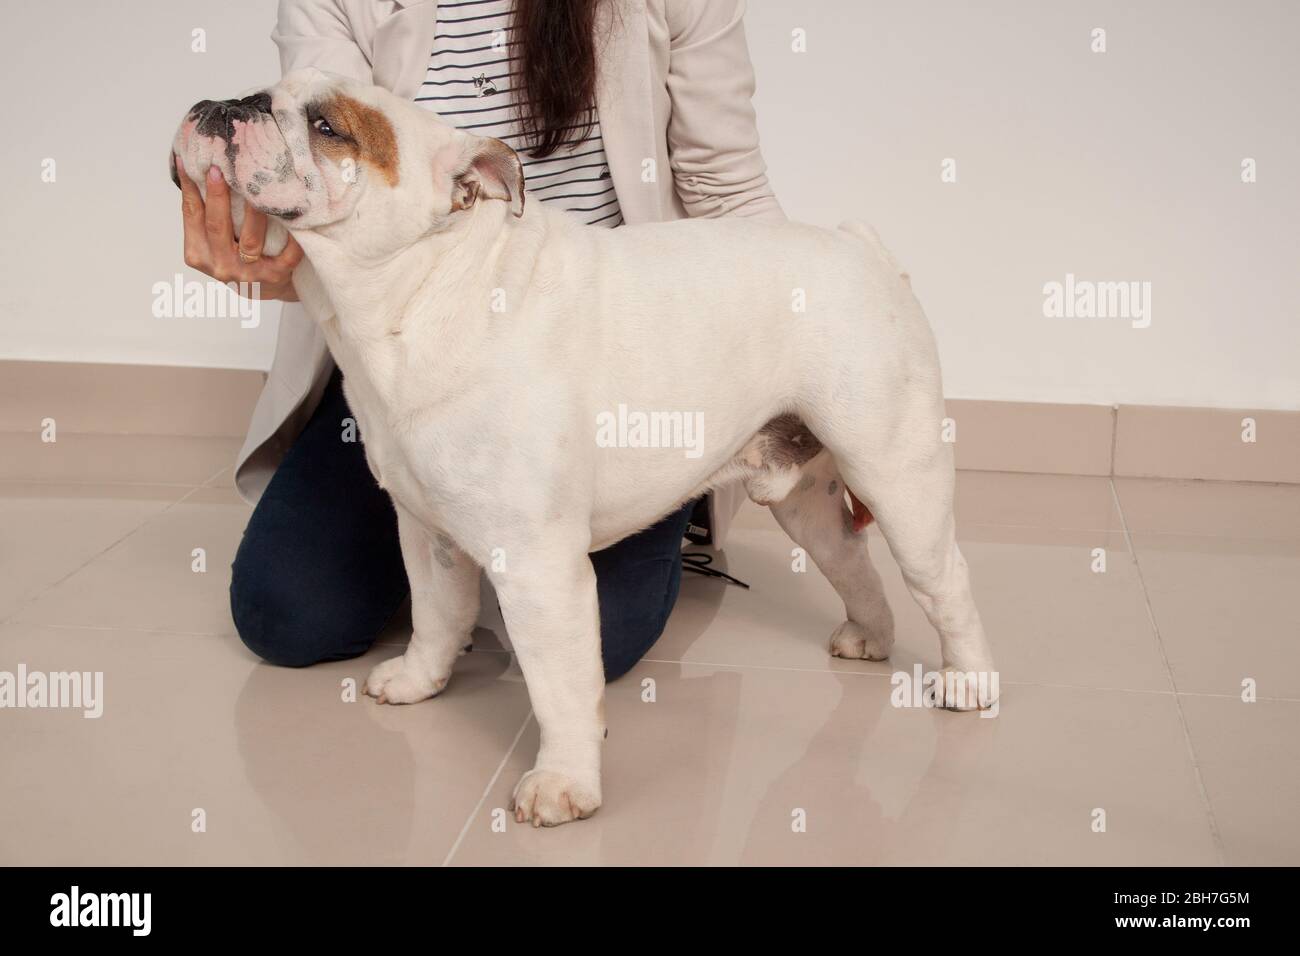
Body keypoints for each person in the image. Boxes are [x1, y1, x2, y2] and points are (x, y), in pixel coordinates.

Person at [177, 0, 784, 679]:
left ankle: (544, 528)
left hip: (610, 362)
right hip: (405, 363)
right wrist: (260, 259)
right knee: (285, 614)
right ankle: (456, 544)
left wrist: (817, 361)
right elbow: (318, 174)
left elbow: (727, 187)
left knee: (589, 637)